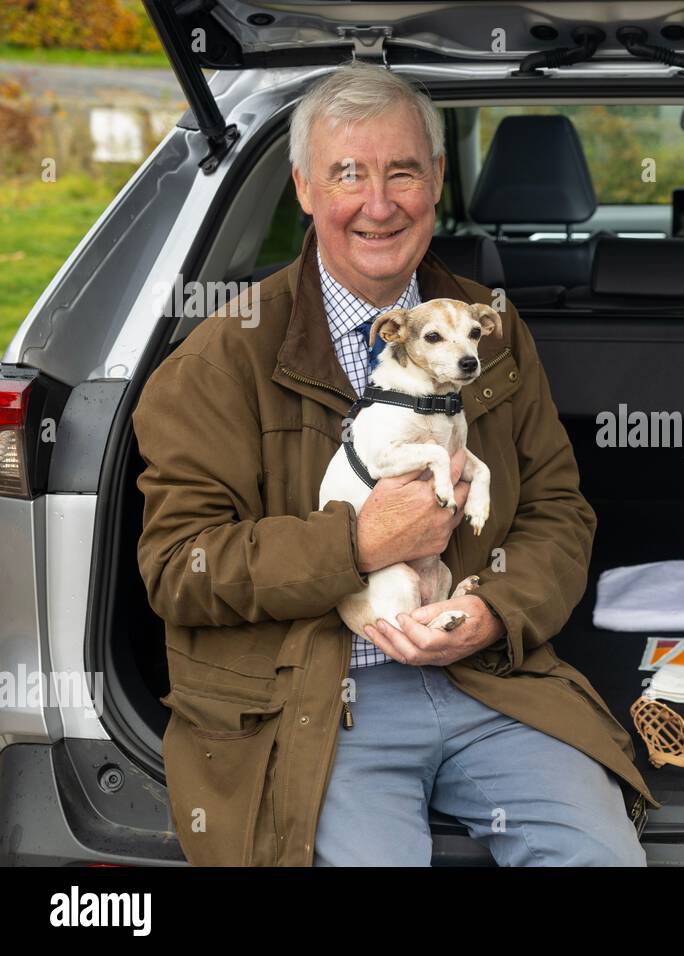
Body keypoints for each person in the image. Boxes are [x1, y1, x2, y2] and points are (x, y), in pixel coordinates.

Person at [133, 61, 656, 866]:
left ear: (437, 182)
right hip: (315, 698)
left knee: (601, 857)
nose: (379, 205)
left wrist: (494, 613)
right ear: (304, 187)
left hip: (489, 680)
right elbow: (178, 568)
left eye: (402, 172)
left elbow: (559, 514)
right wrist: (356, 546)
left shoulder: (491, 334)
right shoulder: (217, 360)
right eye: (349, 174)